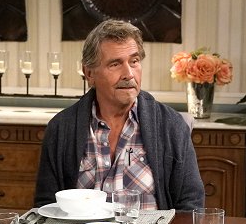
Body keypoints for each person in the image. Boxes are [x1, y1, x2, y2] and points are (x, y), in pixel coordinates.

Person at [33, 19, 205, 210]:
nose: (128, 74)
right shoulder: (61, 128)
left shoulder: (171, 125)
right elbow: (46, 205)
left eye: (134, 61)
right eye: (115, 64)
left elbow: (191, 205)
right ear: (89, 73)